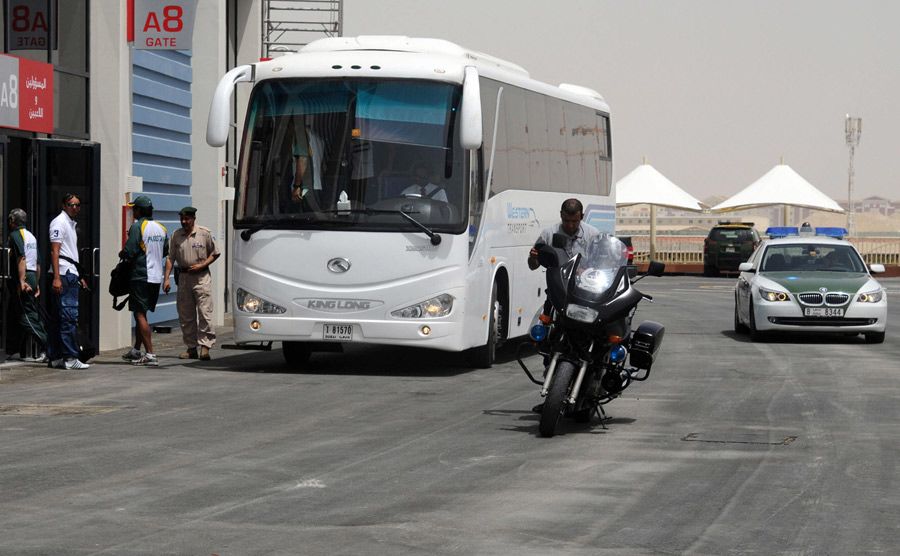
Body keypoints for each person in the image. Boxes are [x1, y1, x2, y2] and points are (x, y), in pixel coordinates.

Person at [163, 206, 220, 361]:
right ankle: (191, 348)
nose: (184, 221)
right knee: (186, 315)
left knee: (204, 312)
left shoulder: (204, 233)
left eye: (187, 219)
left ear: (193, 218)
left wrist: (202, 265)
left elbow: (215, 253)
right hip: (184, 278)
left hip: (201, 278)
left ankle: (205, 348)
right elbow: (170, 258)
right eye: (182, 218)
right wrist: (166, 278)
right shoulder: (176, 235)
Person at [120, 196, 168, 367]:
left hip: (140, 275)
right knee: (143, 313)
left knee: (139, 314)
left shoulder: (137, 226)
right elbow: (165, 251)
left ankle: (150, 354)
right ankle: (136, 349)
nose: (133, 212)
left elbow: (130, 250)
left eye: (135, 209)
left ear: (139, 211)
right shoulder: (161, 228)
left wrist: (123, 255)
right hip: (155, 276)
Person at [47, 193, 90, 370]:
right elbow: (55, 251)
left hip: (70, 272)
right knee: (68, 316)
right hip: (64, 274)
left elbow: (70, 253)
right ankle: (70, 356)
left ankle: (56, 356)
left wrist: (79, 276)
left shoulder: (70, 223)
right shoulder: (59, 222)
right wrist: (57, 277)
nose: (75, 208)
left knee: (59, 317)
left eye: (78, 205)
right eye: (71, 204)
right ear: (64, 205)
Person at [7, 209, 48, 363]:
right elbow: (37, 263)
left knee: (27, 316)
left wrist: (21, 281)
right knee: (15, 313)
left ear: (12, 220)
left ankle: (49, 347)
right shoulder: (31, 236)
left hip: (23, 276)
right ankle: (12, 349)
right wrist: (36, 283)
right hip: (31, 274)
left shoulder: (15, 235)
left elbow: (21, 258)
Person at [528, 198, 601, 270]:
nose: (570, 225)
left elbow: (601, 265)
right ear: (561, 215)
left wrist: (585, 272)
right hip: (557, 281)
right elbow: (532, 266)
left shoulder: (593, 235)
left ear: (582, 216)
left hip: (584, 281)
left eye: (574, 221)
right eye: (566, 221)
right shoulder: (548, 234)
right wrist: (533, 258)